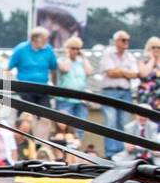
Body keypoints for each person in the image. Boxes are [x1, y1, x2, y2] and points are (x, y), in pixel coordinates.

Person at [99, 29, 139, 158]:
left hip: (125, 92)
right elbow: (110, 72)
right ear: (116, 41)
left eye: (127, 40)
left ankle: (122, 153)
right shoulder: (108, 53)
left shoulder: (130, 56)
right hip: (109, 91)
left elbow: (135, 73)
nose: (126, 42)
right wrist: (125, 72)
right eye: (123, 40)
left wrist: (120, 71)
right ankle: (111, 153)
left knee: (124, 123)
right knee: (110, 122)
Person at [56, 35, 92, 134]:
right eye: (73, 48)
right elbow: (65, 69)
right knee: (65, 125)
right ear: (67, 49)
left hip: (80, 98)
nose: (75, 51)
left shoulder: (81, 62)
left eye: (78, 49)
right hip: (65, 99)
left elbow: (89, 72)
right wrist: (68, 55)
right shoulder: (61, 60)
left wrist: (83, 57)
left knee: (80, 126)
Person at [137, 36, 160, 117]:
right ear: (149, 48)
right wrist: (152, 59)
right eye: (153, 47)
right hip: (147, 96)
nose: (156, 49)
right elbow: (143, 74)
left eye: (158, 47)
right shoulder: (143, 61)